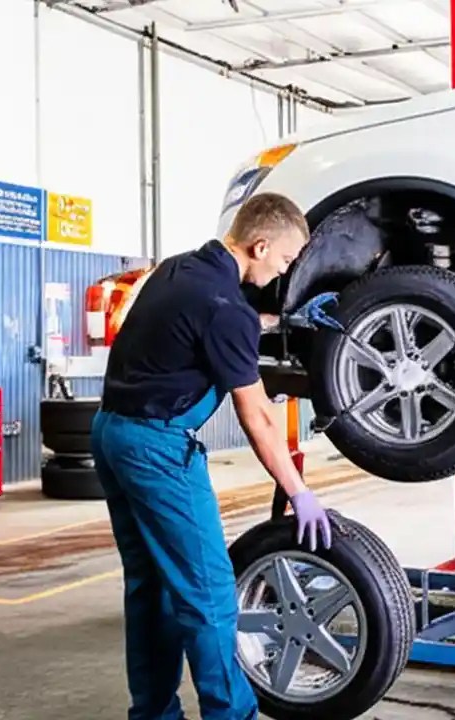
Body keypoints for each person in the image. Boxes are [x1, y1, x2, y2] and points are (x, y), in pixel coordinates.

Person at [91, 191, 335, 720]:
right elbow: (258, 418)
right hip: (158, 450)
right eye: (286, 261)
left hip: (111, 433)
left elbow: (214, 320)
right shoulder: (226, 310)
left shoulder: (179, 270)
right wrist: (299, 491)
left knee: (151, 588)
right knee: (210, 598)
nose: (283, 272)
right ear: (260, 243)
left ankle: (153, 714)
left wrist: (280, 321)